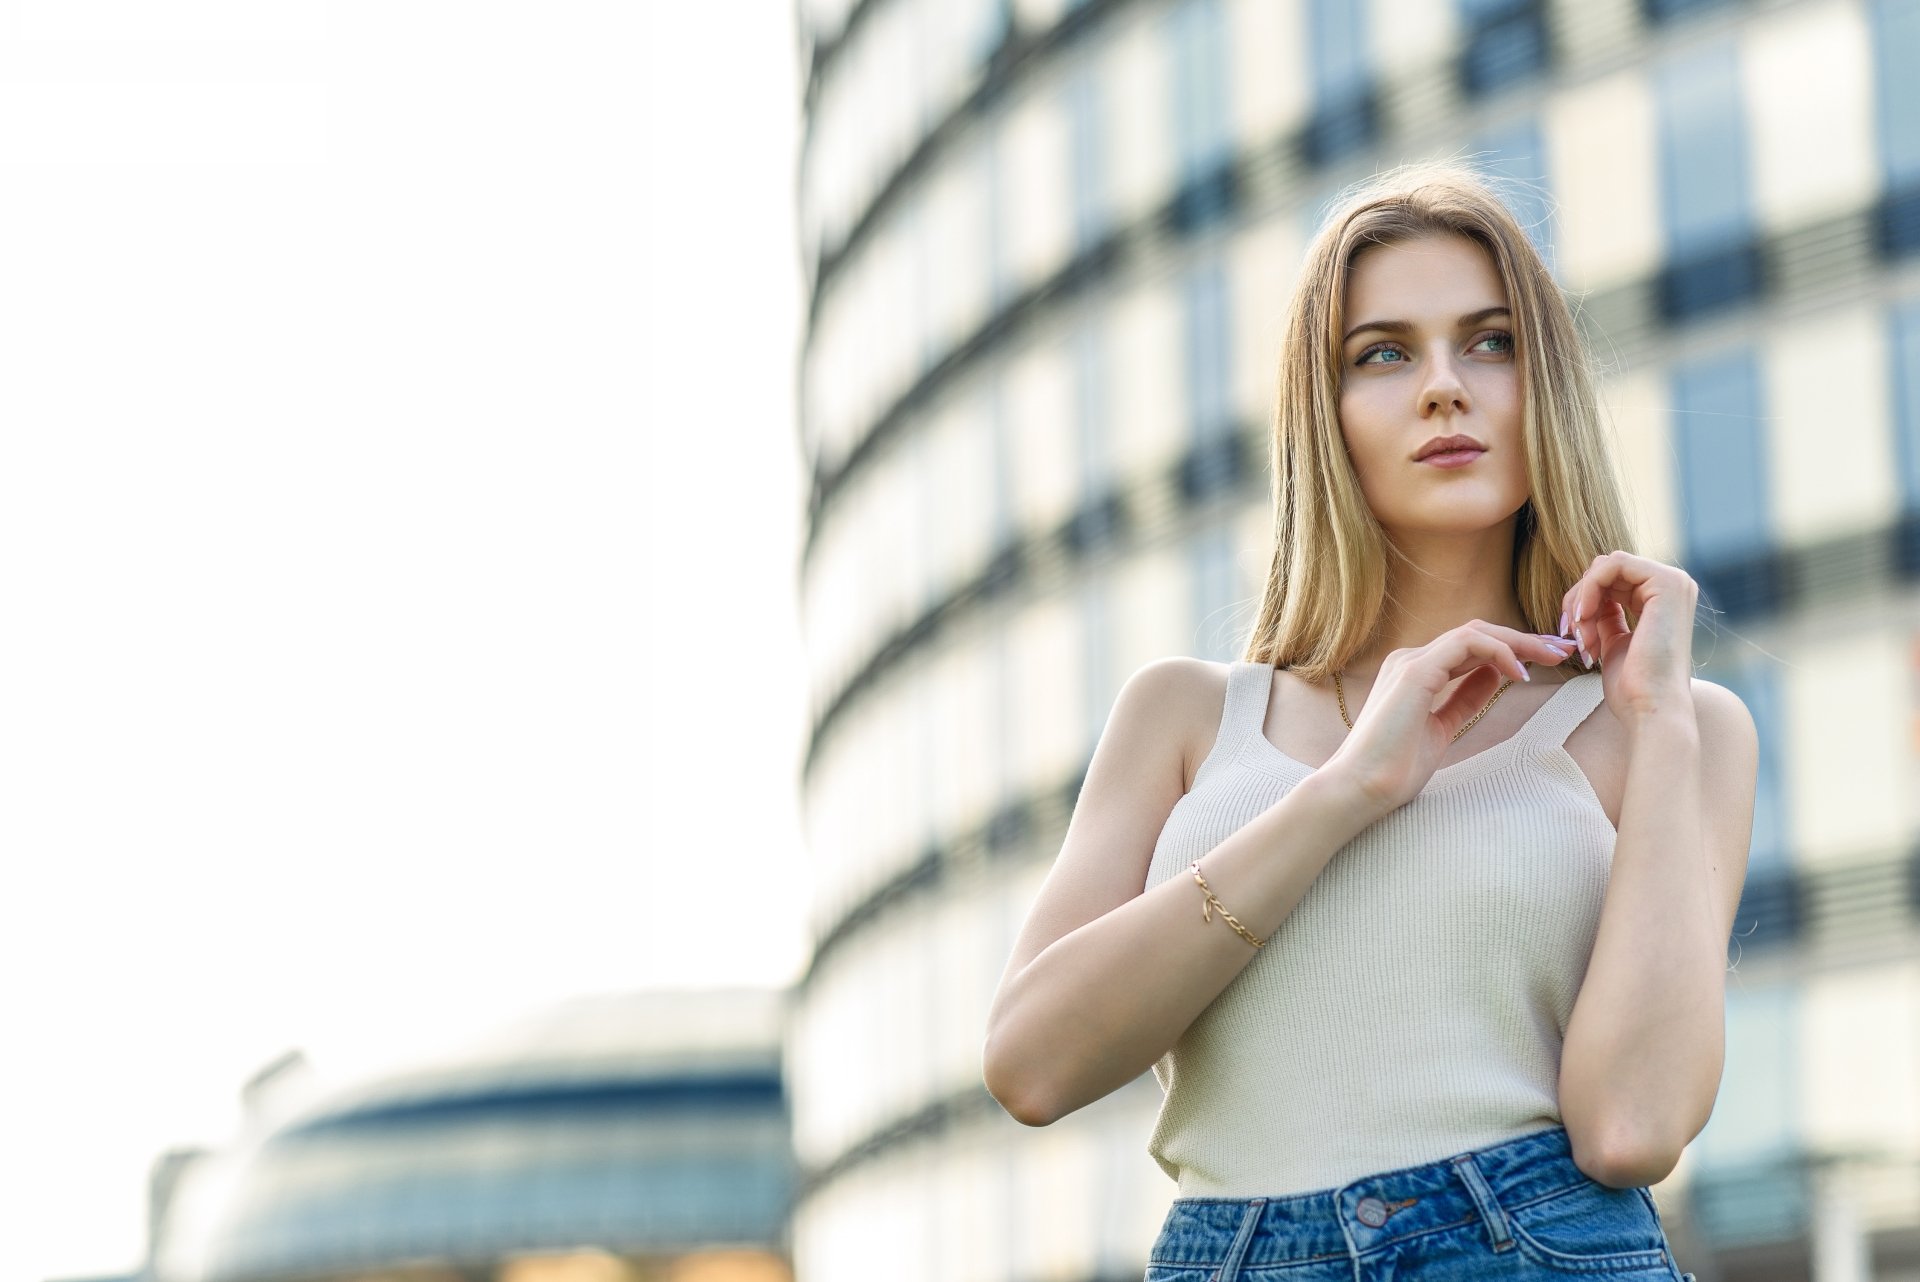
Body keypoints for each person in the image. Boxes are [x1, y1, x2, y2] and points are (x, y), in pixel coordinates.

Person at [980, 159, 1758, 1282]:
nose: (1445, 386)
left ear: (1547, 387)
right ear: (1325, 415)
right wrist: (1347, 789)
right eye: (1383, 353)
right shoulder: (1188, 715)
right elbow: (1031, 1065)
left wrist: (1662, 718)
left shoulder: (1674, 730)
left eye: (1491, 342)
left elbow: (1631, 1127)